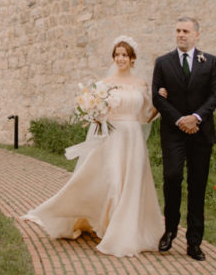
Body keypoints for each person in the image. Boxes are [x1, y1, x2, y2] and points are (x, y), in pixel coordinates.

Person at [24, 35, 162, 257]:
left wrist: (160, 103)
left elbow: (145, 116)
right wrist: (94, 112)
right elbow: (97, 112)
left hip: (133, 138)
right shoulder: (103, 85)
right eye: (117, 55)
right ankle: (111, 231)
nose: (120, 59)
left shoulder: (141, 85)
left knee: (132, 183)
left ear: (132, 58)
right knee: (115, 182)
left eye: (124, 55)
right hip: (113, 138)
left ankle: (126, 231)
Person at [152, 17, 216, 262]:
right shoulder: (163, 62)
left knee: (197, 185)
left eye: (185, 31)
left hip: (201, 133)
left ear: (196, 35)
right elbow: (157, 97)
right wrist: (181, 120)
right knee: (172, 177)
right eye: (178, 30)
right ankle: (170, 229)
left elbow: (215, 95)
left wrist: (195, 118)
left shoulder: (209, 62)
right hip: (173, 132)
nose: (180, 34)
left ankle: (194, 242)